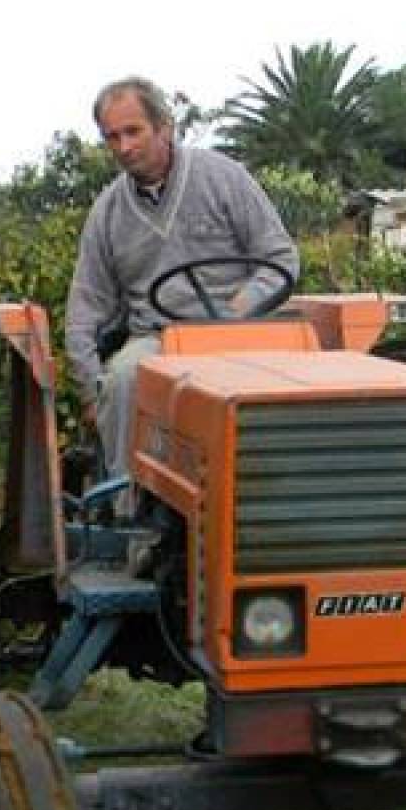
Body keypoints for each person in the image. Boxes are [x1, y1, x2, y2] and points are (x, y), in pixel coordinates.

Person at [65, 77, 299, 500]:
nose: (123, 147)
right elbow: (86, 305)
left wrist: (240, 307)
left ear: (164, 127)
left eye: (133, 132)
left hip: (239, 331)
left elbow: (280, 258)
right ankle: (130, 509)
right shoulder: (108, 212)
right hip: (158, 338)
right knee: (122, 379)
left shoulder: (224, 178)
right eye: (112, 137)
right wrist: (89, 388)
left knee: (295, 384)